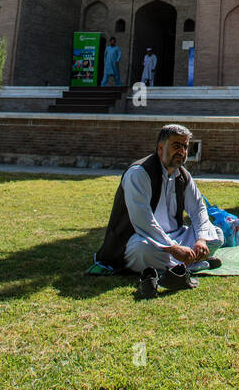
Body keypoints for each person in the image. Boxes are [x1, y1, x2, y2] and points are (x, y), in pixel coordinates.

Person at [94, 123, 223, 297]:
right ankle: (191, 264)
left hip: (175, 237)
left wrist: (200, 240)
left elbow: (198, 209)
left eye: (185, 147)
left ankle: (184, 263)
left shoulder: (183, 175)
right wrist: (172, 248)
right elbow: (143, 220)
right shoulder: (139, 173)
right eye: (176, 146)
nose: (182, 151)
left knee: (215, 234)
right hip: (141, 238)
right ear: (160, 148)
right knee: (142, 250)